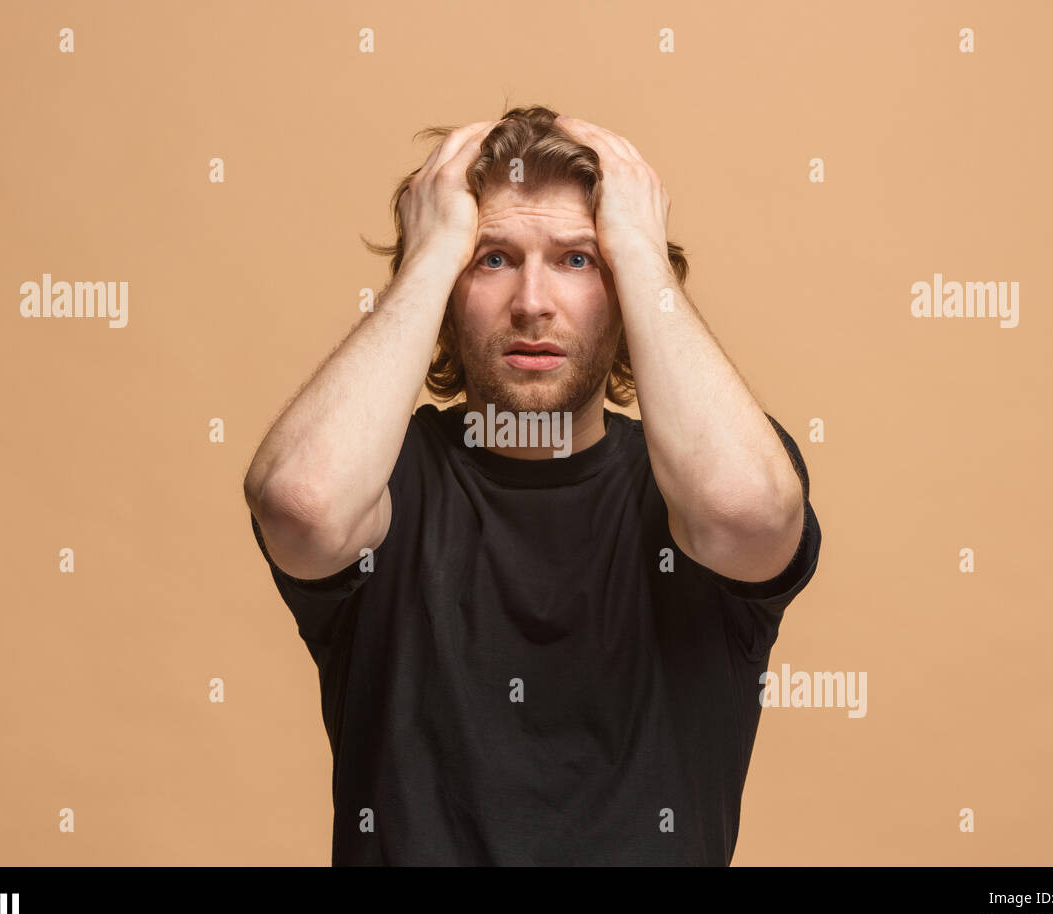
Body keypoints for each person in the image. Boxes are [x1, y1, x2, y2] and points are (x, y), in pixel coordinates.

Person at [243, 106, 822, 865]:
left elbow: (745, 515)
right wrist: (432, 253)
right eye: (492, 259)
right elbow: (303, 507)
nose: (533, 303)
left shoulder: (691, 486)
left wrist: (641, 254)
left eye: (578, 260)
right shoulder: (385, 485)